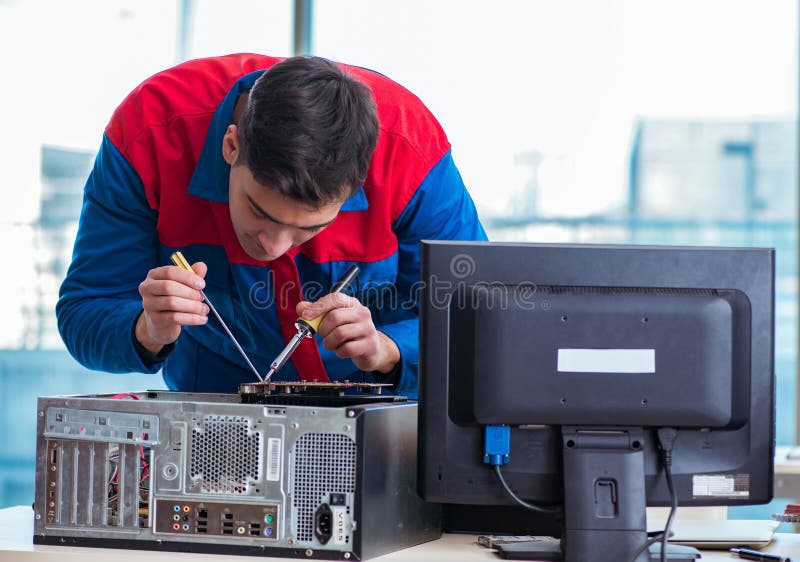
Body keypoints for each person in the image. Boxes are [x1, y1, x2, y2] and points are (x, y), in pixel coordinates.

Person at [57, 54, 486, 398]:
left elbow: (475, 325)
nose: (275, 246)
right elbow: (84, 309)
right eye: (261, 212)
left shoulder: (409, 151)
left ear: (359, 183)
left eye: (309, 229)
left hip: (380, 416)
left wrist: (388, 349)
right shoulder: (150, 131)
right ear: (231, 144)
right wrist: (146, 330)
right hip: (217, 421)